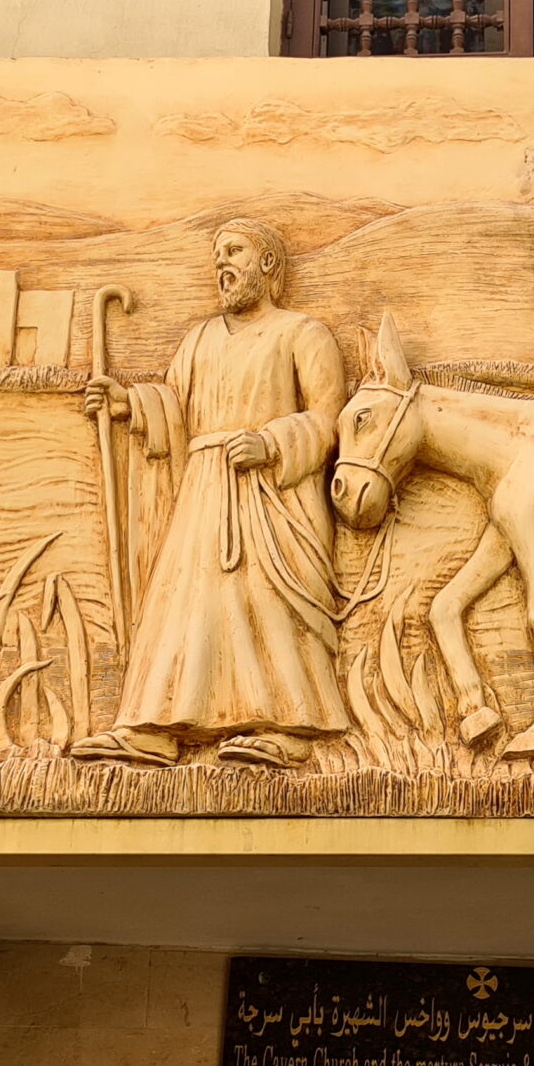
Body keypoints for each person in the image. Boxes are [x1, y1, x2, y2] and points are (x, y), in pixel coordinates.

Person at [73, 219, 351, 767]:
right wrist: (129, 402)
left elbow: (329, 418)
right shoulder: (198, 339)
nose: (220, 264)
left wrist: (272, 442)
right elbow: (175, 406)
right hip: (204, 491)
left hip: (272, 494)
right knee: (188, 604)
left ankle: (287, 725)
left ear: (268, 264)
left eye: (234, 251)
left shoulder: (303, 332)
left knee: (267, 604)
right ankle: (156, 726)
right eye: (216, 255)